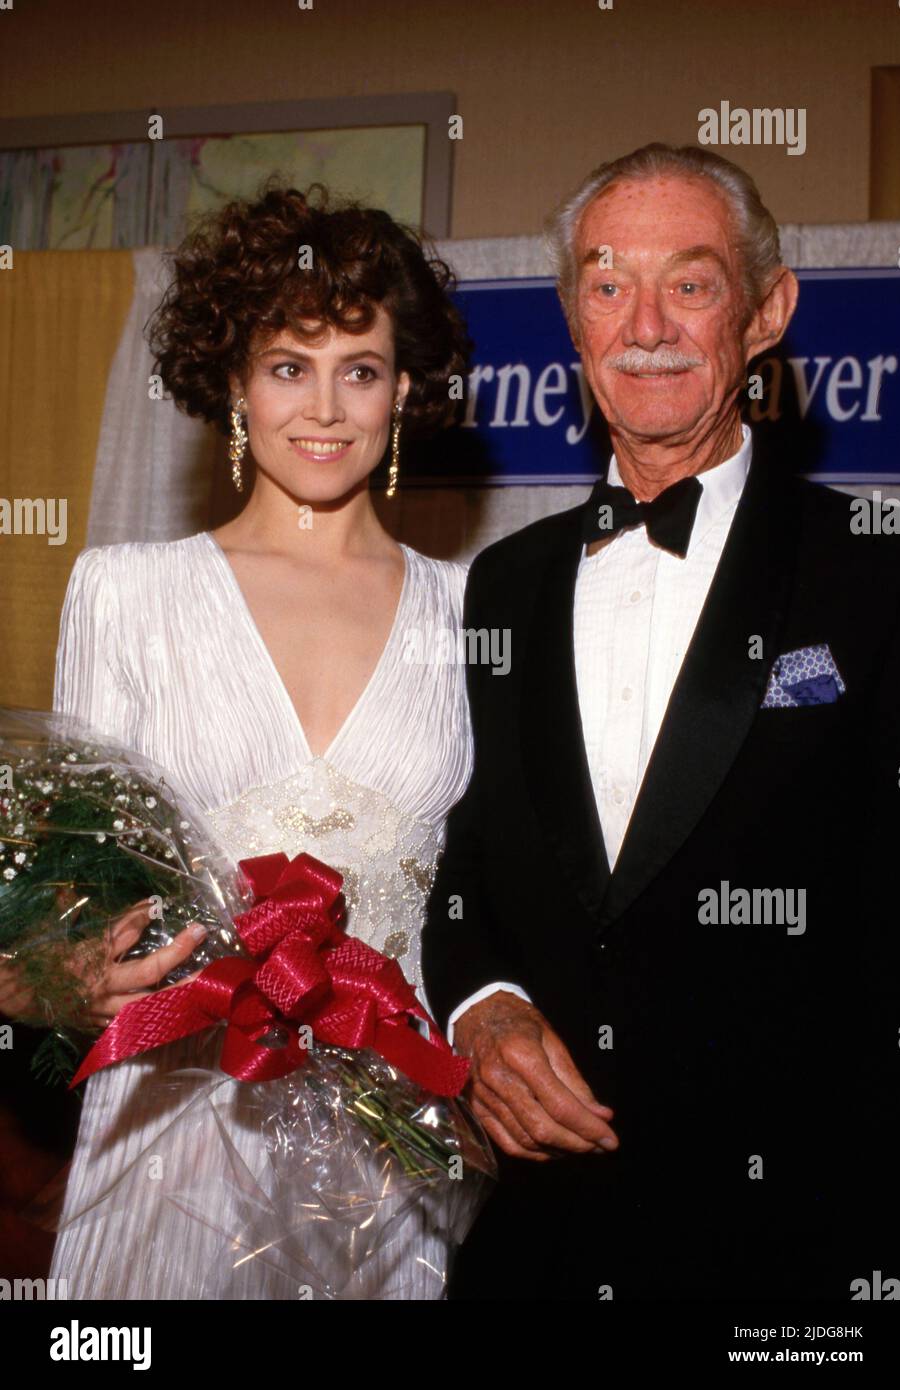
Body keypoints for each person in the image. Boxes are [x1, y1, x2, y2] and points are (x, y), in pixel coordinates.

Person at [422, 142, 900, 1300]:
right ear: (571, 315)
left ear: (765, 311)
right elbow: (476, 852)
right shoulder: (505, 581)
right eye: (606, 284)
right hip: (535, 1236)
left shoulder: (880, 575)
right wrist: (482, 1007)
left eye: (688, 284)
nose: (644, 324)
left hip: (797, 1241)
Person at [38, 181, 473, 1299]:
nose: (324, 406)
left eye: (359, 368)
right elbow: (73, 886)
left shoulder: (472, 609)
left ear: (403, 387)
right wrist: (55, 970)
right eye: (288, 365)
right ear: (232, 381)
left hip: (393, 1145)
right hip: (175, 1121)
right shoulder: (126, 594)